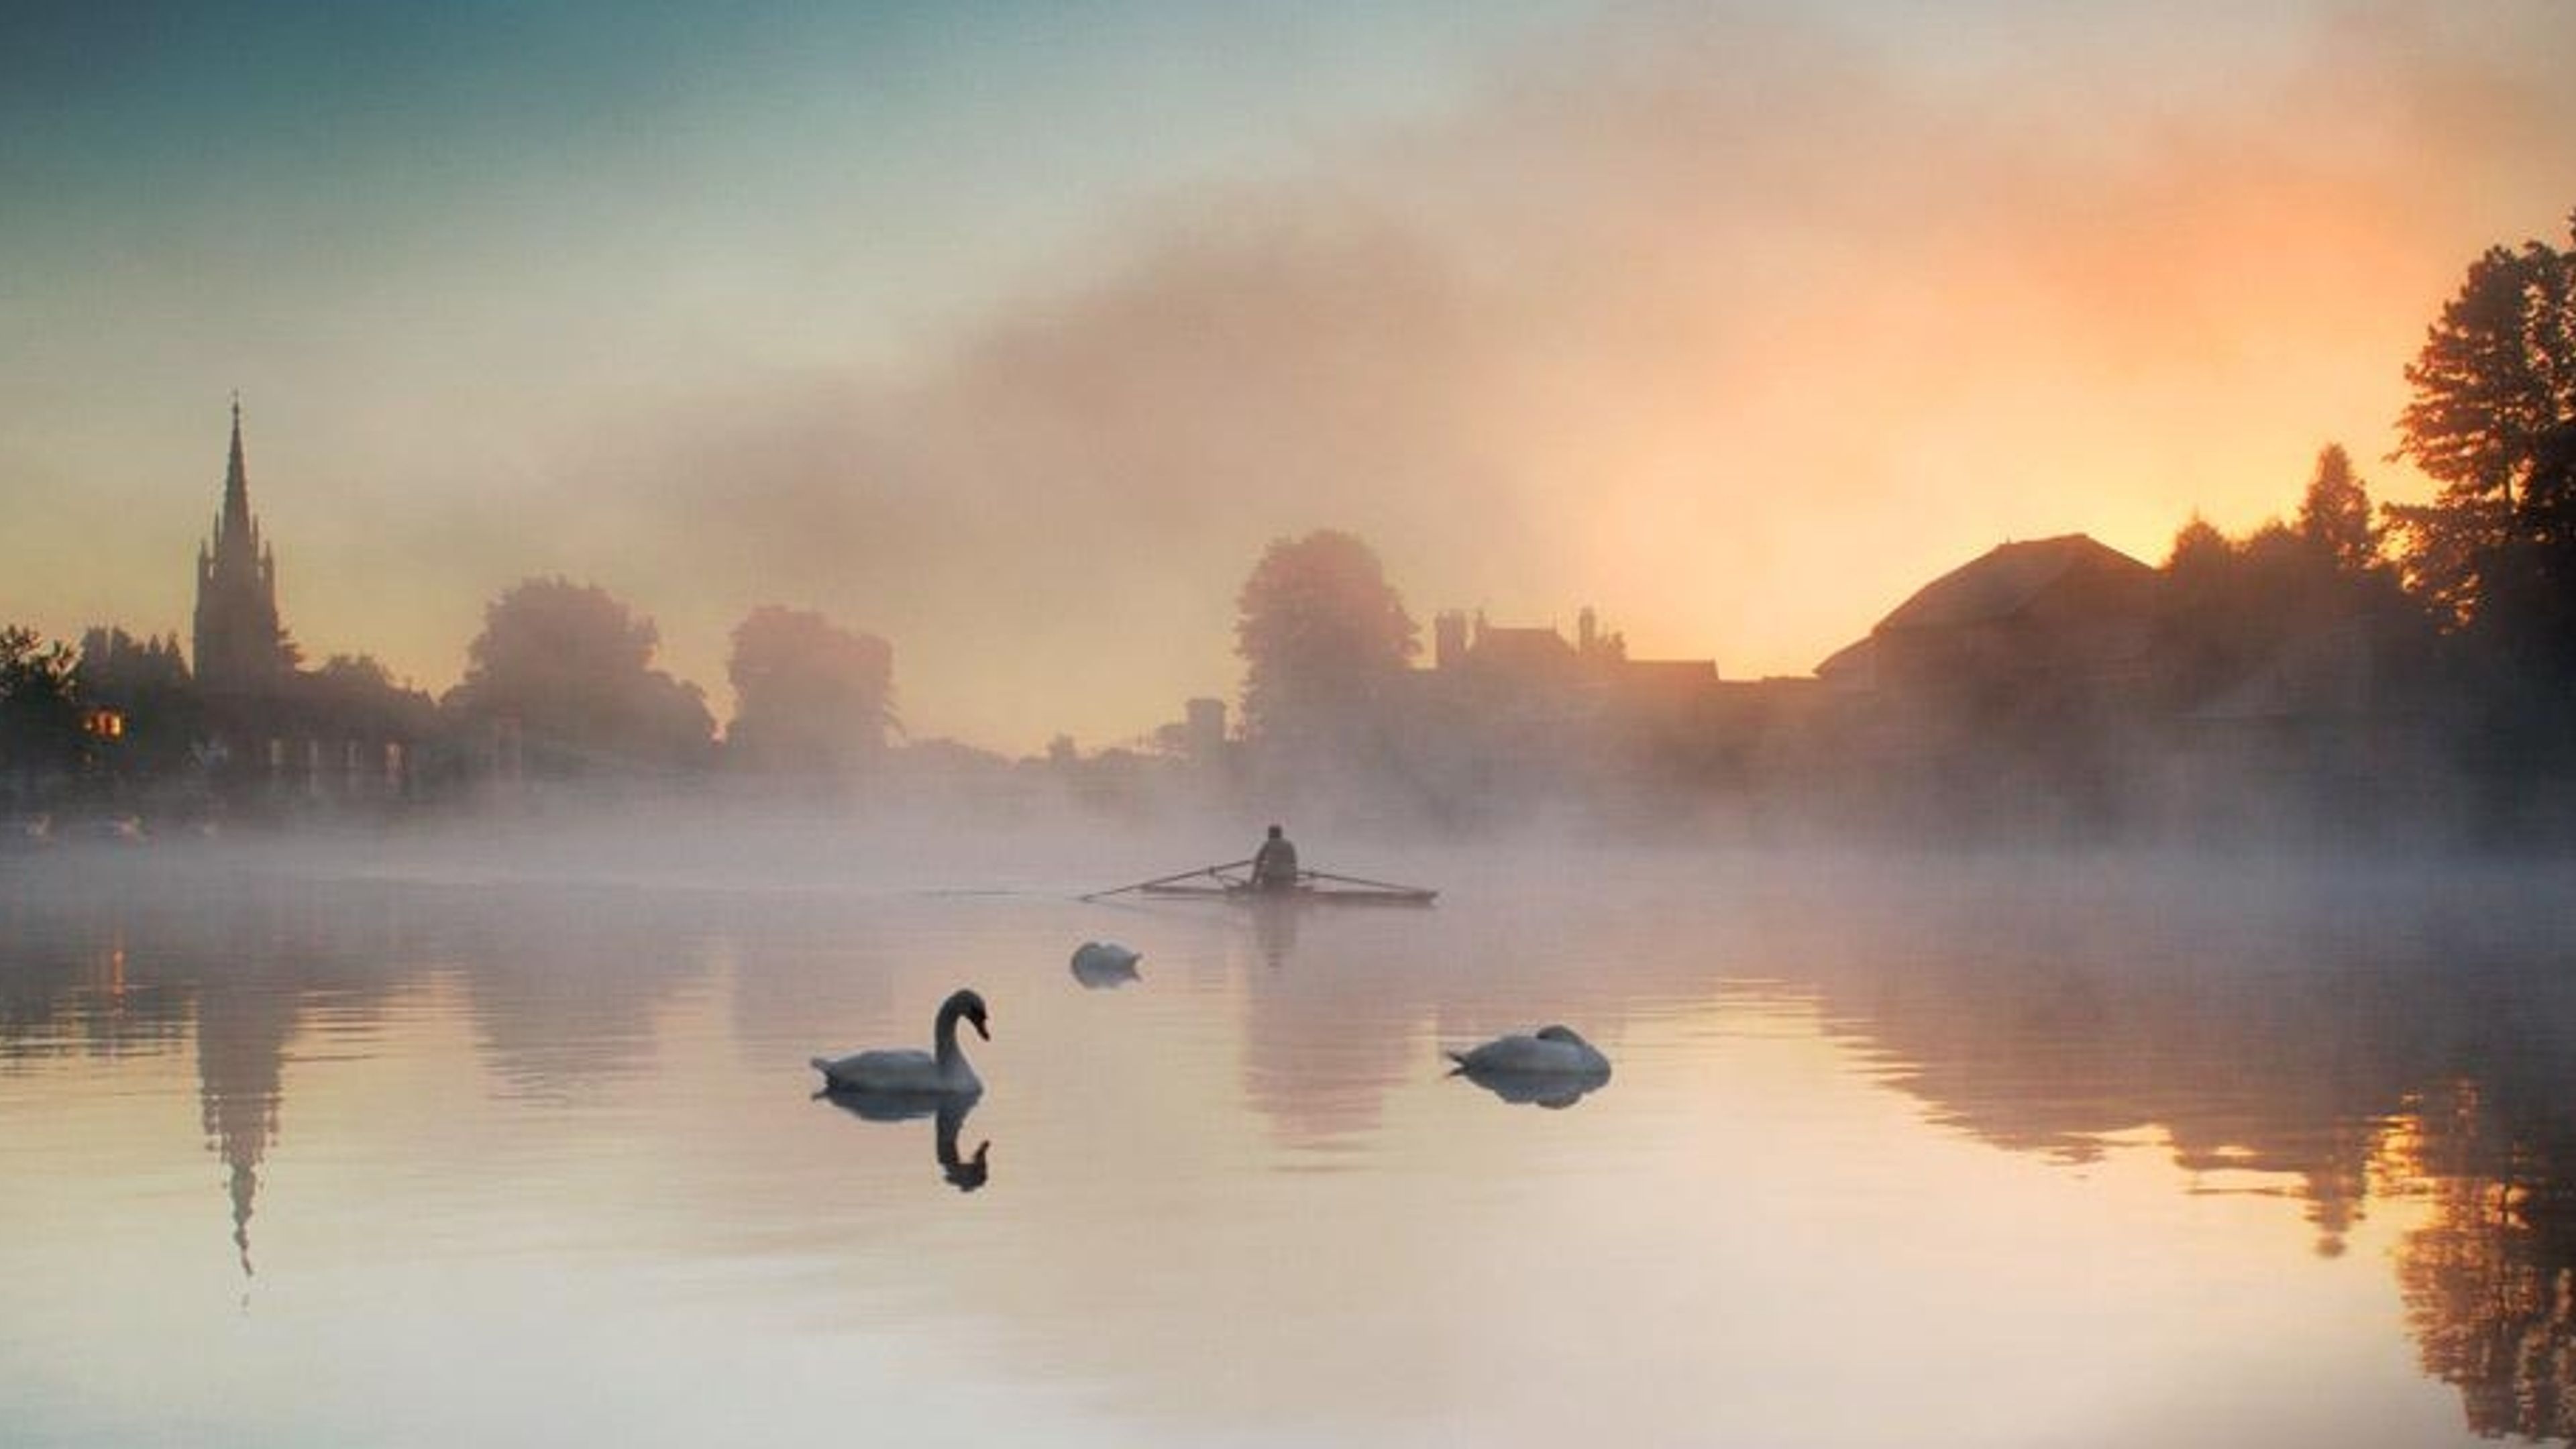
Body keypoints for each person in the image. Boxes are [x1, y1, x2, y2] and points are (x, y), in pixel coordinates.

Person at [1250, 823, 1300, 892]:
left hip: (1271, 877)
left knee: (1262, 870)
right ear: (1280, 834)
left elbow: (1258, 862)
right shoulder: (1289, 845)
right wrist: (1294, 877)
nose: (1268, 835)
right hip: (1287, 877)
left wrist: (1253, 881)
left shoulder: (1268, 844)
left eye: (1269, 833)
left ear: (1271, 834)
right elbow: (1294, 862)